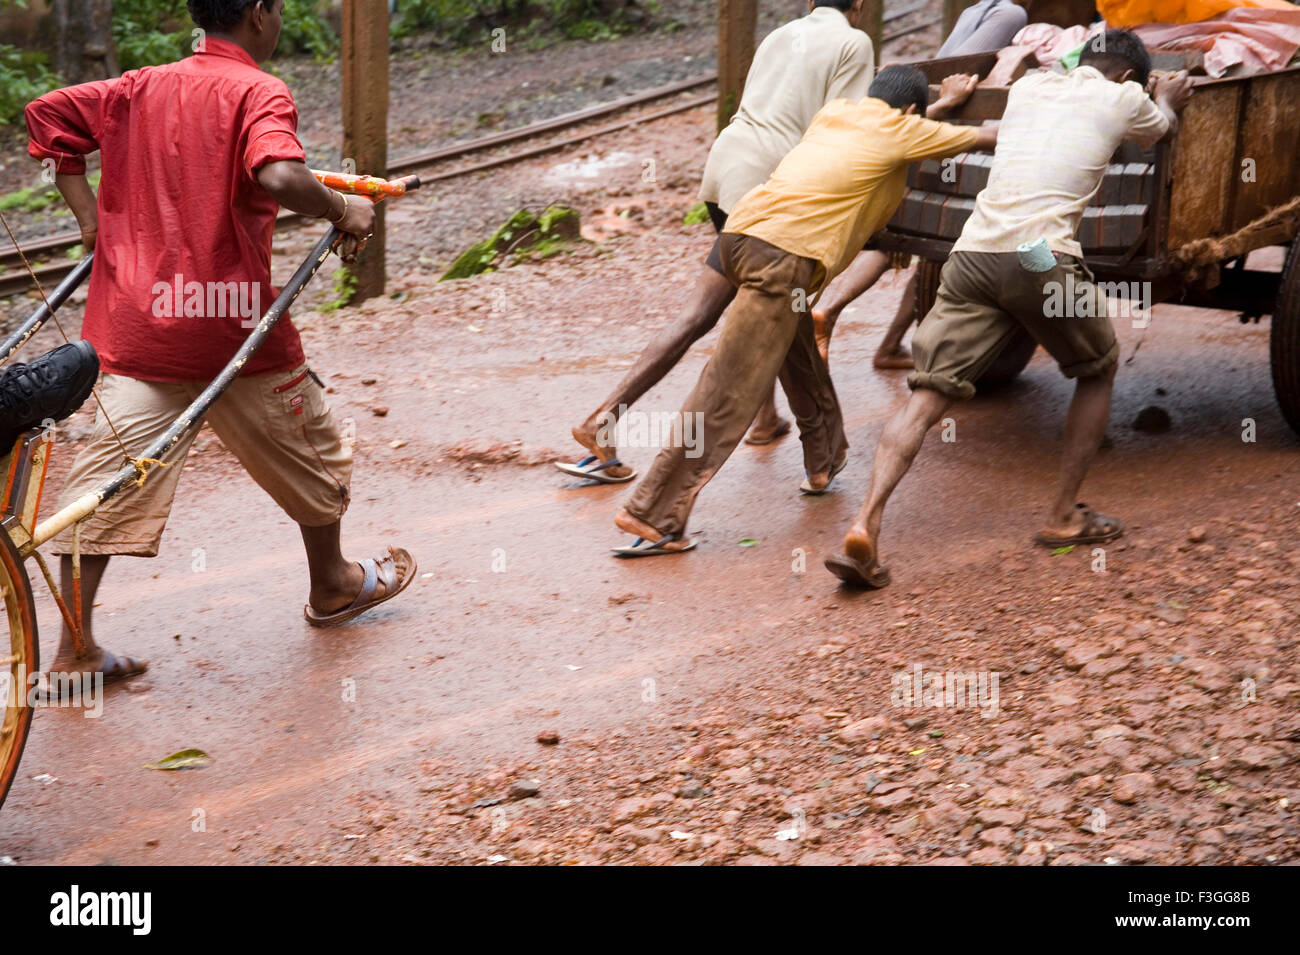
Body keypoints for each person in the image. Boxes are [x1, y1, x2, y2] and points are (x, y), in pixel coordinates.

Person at [24, 0, 417, 689]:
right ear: (260, 12)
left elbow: (47, 114)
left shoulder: (136, 87)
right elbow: (279, 175)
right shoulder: (258, 89)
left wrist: (89, 219)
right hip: (229, 324)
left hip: (136, 325)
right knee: (313, 448)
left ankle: (75, 651)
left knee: (105, 485)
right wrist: (343, 208)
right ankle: (331, 584)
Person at [824, 32, 1194, 588]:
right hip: (1039, 254)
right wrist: (1167, 96)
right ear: (1126, 77)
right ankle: (1064, 515)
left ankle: (865, 522)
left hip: (972, 251)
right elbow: (1163, 127)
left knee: (928, 393)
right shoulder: (1123, 97)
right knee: (1097, 369)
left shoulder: (1029, 88)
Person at [612, 66, 992, 556]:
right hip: (782, 258)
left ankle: (824, 458)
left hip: (740, 237)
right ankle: (651, 512)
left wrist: (933, 111)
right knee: (729, 387)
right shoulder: (903, 131)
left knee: (798, 352)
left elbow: (895, 130)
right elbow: (985, 135)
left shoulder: (837, 113)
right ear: (913, 112)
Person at [557, 0, 876, 485]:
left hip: (726, 166)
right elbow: (840, 132)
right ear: (859, 4)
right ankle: (820, 457)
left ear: (809, 1)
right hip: (772, 185)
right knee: (768, 313)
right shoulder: (855, 42)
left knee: (727, 312)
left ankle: (608, 419)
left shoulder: (779, 34)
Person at [812, 0, 1033, 372]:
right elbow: (962, 74)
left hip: (922, 121)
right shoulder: (1013, 15)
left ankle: (863, 330)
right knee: (933, 246)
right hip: (942, 129)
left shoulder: (975, 11)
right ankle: (863, 330)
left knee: (905, 244)